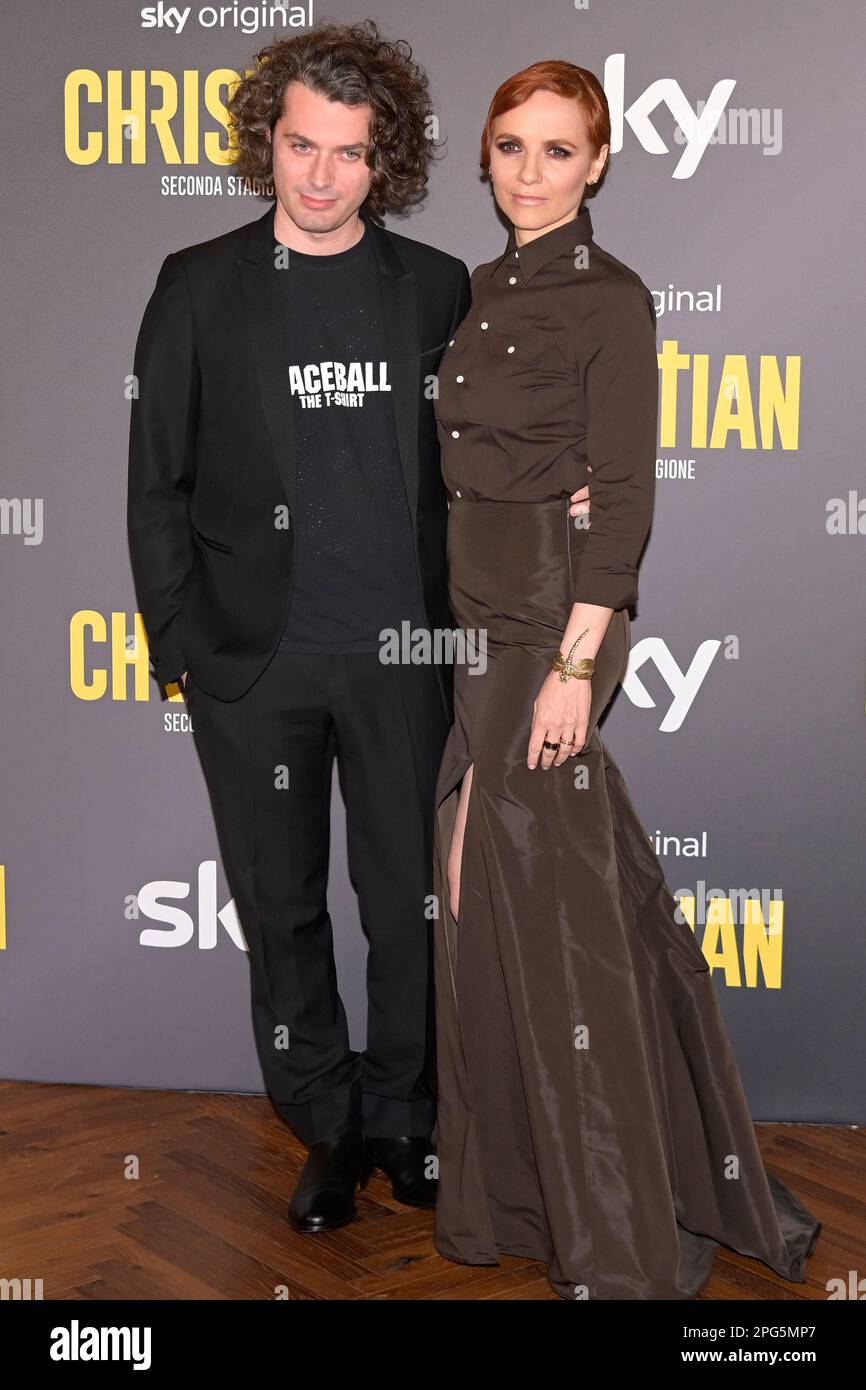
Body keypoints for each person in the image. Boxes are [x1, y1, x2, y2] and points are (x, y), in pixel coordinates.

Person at [126, 23, 591, 1236]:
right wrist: (179, 641)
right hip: (250, 662)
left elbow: (488, 447)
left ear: (380, 159)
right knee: (278, 910)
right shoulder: (196, 283)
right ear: (264, 144)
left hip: (405, 661)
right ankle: (324, 1128)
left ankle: (404, 1120)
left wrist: (562, 489)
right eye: (299, 146)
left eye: (346, 152)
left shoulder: (434, 285)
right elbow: (154, 480)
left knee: (407, 907)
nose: (319, 176)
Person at [430, 60, 822, 1300]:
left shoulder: (609, 298)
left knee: (550, 925)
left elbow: (627, 495)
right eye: (509, 146)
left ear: (599, 162)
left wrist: (574, 667)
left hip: (548, 631)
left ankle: (614, 1228)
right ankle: (532, 1192)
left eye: (557, 150)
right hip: (483, 624)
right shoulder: (480, 287)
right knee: (502, 904)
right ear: (482, 157)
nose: (529, 172)